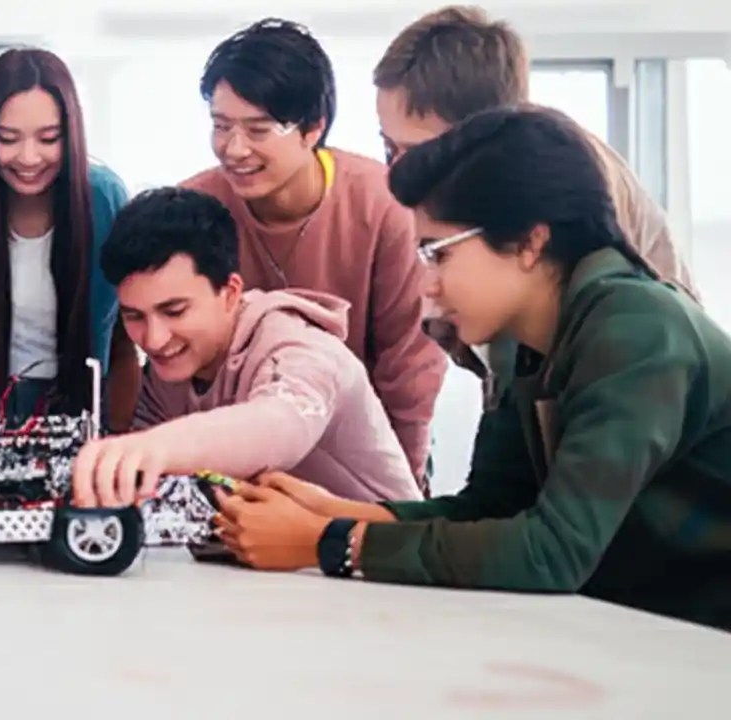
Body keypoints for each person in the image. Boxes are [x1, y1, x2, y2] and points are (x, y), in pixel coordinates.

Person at [210, 107, 731, 633]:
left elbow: (553, 551)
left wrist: (328, 543)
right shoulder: (527, 341)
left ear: (530, 242)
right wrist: (335, 513)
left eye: (437, 253)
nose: (426, 286)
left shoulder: (637, 329)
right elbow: (491, 509)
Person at [373, 5, 699, 402]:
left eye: (417, 151)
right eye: (388, 147)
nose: (397, 172)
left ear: (482, 131)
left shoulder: (562, 182)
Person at [180, 18, 446, 492]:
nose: (234, 148)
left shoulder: (385, 207)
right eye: (221, 126)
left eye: (259, 129)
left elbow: (409, 369)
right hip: (237, 465)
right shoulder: (194, 207)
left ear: (313, 129)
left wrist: (395, 503)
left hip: (361, 456)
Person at [69, 187, 422, 508]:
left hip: (377, 567)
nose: (154, 339)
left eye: (174, 311)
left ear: (230, 293)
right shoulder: (167, 376)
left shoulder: (301, 348)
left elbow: (281, 424)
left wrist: (152, 449)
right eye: (135, 317)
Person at [0, 48, 139, 453]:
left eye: (49, 139)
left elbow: (121, 341)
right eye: (8, 139)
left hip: (88, 416)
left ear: (72, 133)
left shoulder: (105, 198)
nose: (28, 158)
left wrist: (117, 445)